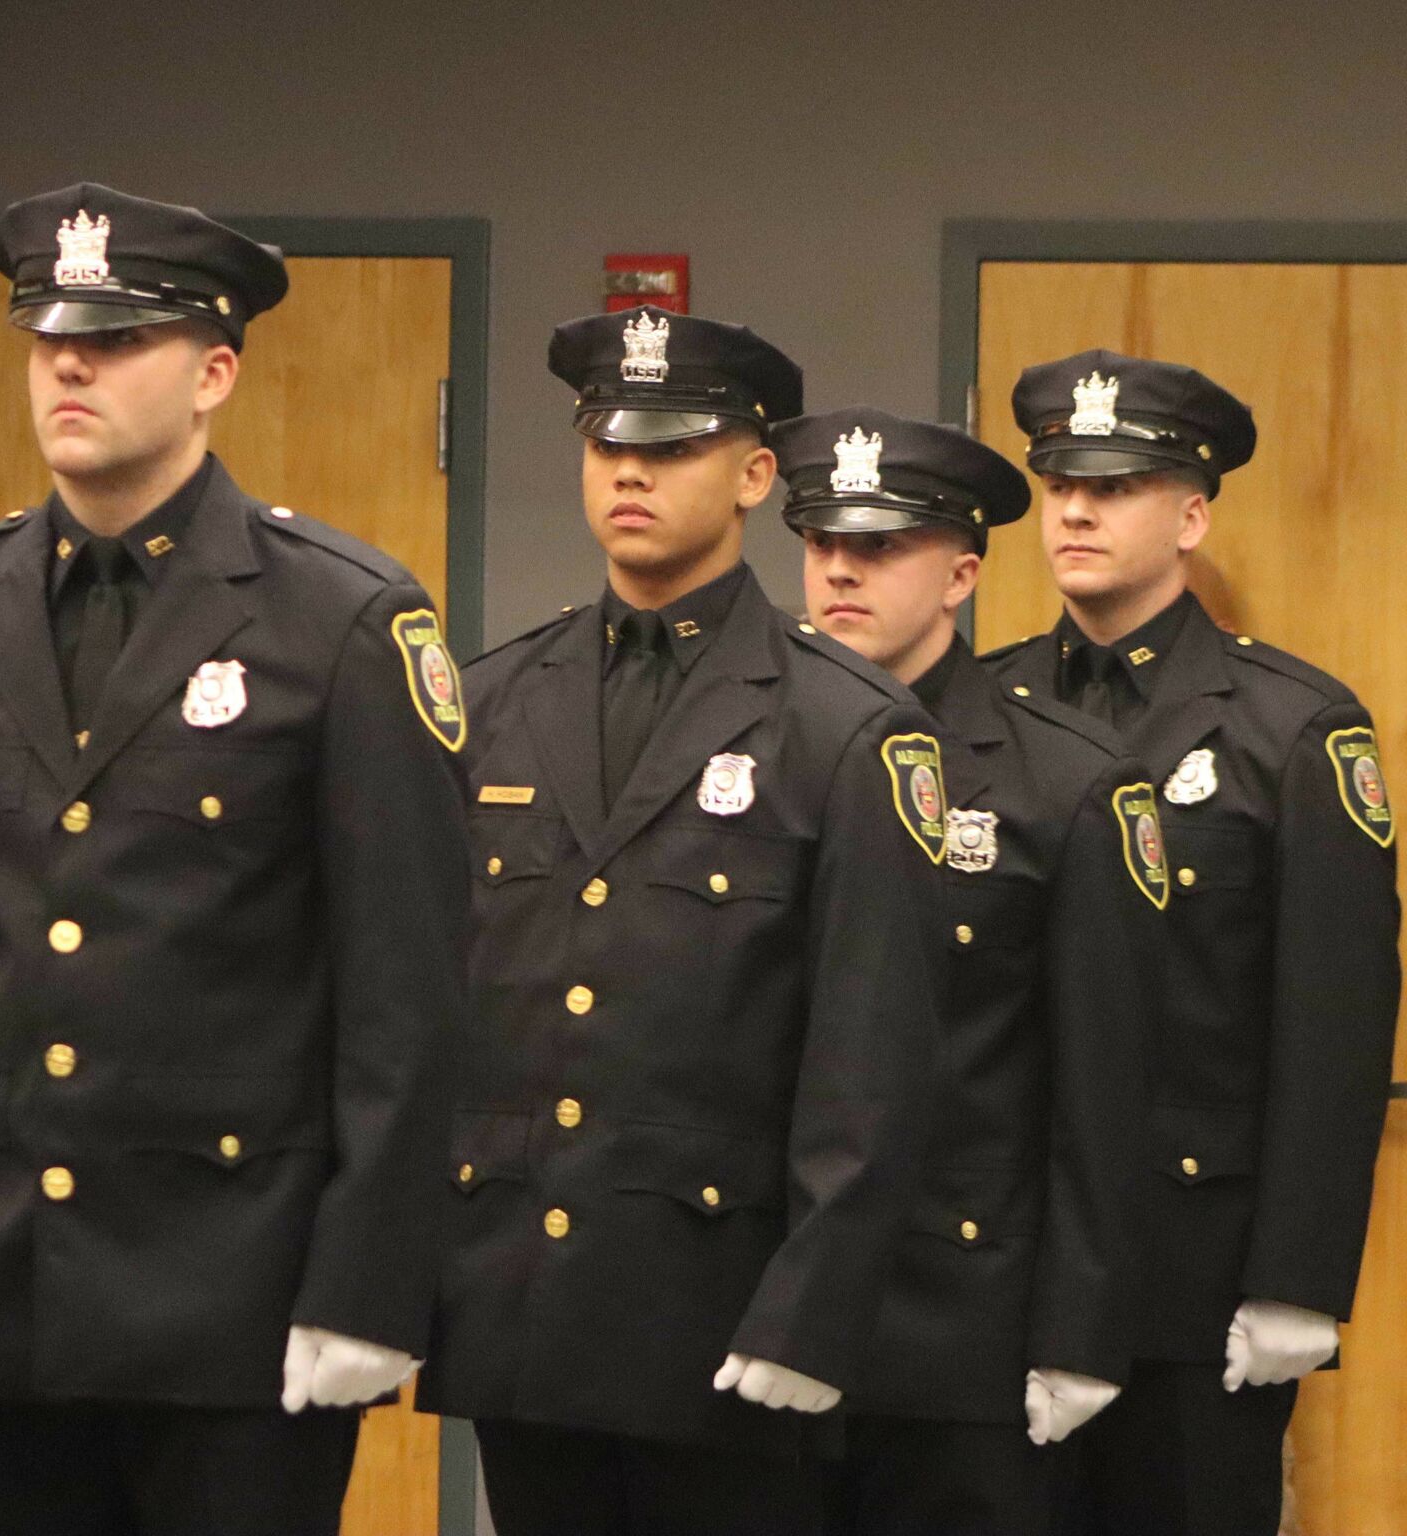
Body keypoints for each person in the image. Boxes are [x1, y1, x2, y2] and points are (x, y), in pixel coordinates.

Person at [0, 182, 470, 1536]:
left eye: (114, 340)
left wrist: (367, 1285)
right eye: (49, 337)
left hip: (236, 1289)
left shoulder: (338, 621)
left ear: (215, 371)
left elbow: (409, 996)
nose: (67, 364)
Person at [414, 307, 948, 1536]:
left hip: (721, 1309)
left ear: (756, 474)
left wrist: (809, 1314)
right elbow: (439, 998)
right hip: (522, 1293)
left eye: (672, 447)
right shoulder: (492, 697)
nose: (630, 473)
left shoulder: (842, 724)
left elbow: (872, 1060)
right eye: (607, 445)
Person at [986, 350, 1401, 1535]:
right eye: (1059, 481)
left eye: (1113, 485)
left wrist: (1298, 1279)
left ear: (1189, 514)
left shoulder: (1291, 729)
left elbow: (1332, 1021)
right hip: (1005, 1256)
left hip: (1193, 1270)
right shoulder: (978, 707)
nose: (1072, 508)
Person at [780, 407, 1158, 1534]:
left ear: (959, 575)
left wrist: (1078, 1334)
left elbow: (1101, 1087)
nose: (840, 570)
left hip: (957, 1317)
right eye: (818, 543)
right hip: (754, 1308)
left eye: (881, 546)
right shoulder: (743, 754)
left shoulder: (1059, 779)